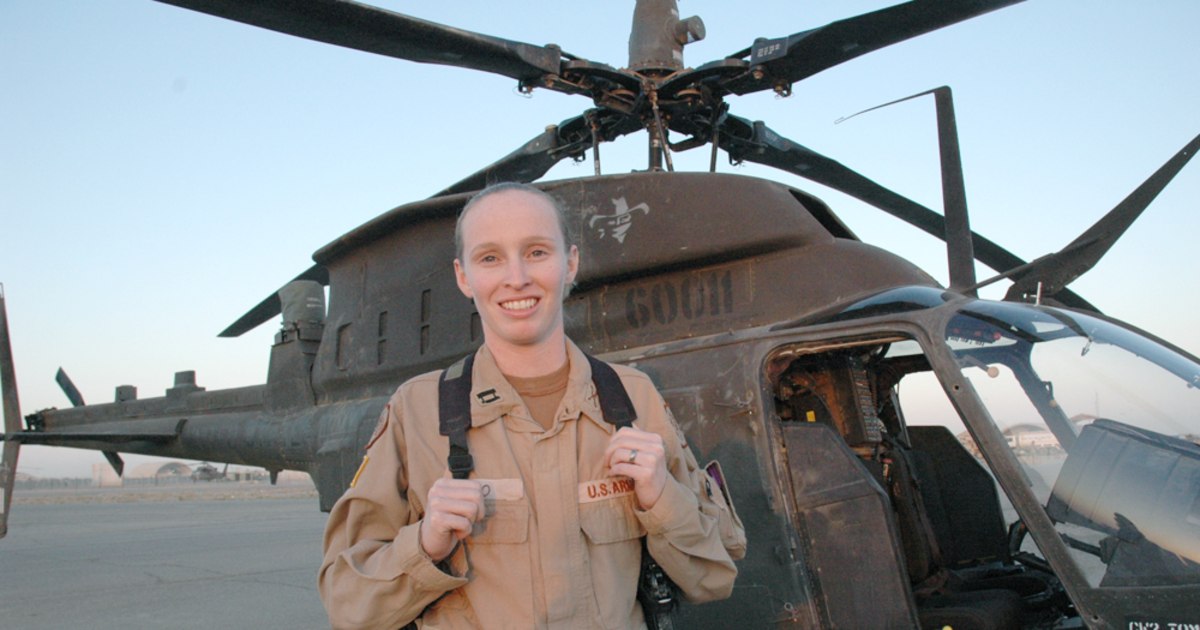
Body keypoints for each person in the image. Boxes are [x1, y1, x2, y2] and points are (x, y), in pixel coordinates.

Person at [319, 182, 743, 629]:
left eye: (538, 252)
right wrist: (424, 544)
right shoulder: (418, 410)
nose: (516, 277)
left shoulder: (632, 397)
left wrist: (663, 499)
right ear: (464, 277)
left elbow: (714, 578)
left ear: (570, 263)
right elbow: (347, 604)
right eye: (490, 258)